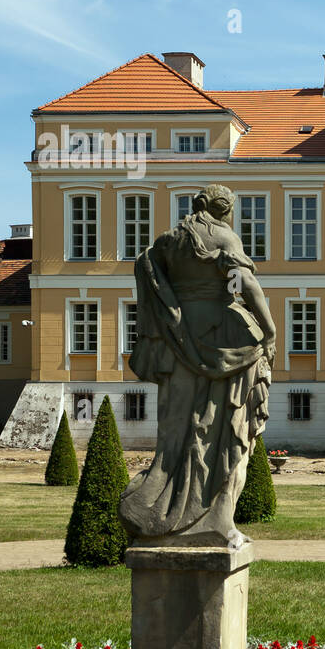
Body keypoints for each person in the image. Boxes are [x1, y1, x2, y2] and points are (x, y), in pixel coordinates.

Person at [119, 184, 274, 548]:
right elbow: (245, 283)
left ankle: (161, 504)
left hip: (179, 342)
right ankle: (218, 520)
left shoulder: (168, 242)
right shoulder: (224, 236)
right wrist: (269, 328)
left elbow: (148, 273)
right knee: (231, 432)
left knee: (178, 430)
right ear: (225, 209)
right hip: (227, 339)